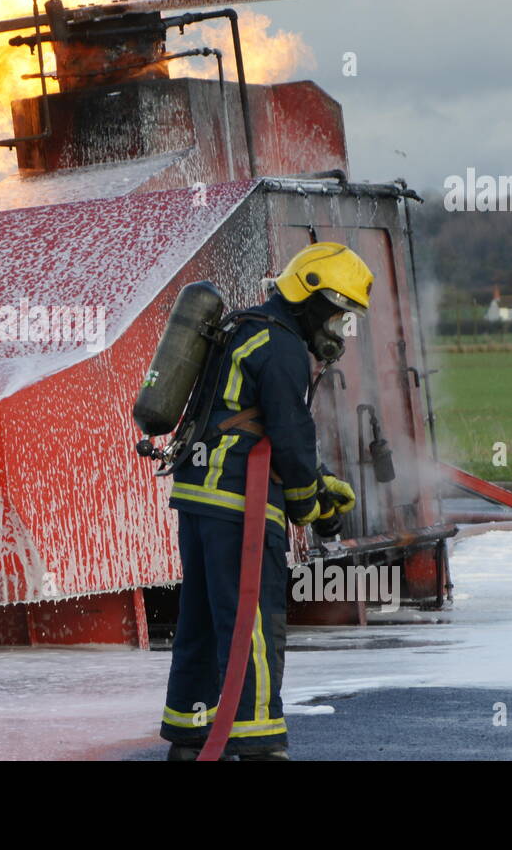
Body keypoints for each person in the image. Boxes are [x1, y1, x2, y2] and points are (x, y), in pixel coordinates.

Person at [160, 241, 373, 761]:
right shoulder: (281, 348)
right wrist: (314, 505)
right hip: (240, 505)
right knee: (251, 622)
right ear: (312, 299)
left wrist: (316, 483)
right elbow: (291, 438)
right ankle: (259, 743)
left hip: (199, 495)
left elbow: (259, 425)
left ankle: (190, 733)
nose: (340, 329)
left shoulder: (246, 327)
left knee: (204, 620)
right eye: (338, 314)